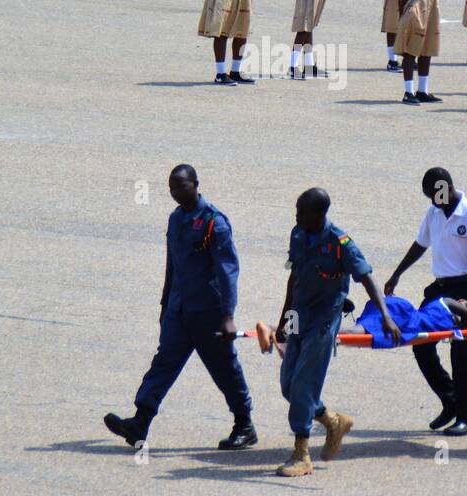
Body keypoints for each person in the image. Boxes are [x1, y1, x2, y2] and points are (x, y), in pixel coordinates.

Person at [104, 165, 256, 450]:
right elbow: (171, 264)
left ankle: (244, 424)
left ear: (196, 184)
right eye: (172, 188)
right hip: (178, 310)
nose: (176, 193)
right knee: (164, 363)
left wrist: (228, 316)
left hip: (208, 313)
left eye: (182, 186)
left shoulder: (214, 222)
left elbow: (228, 272)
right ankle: (141, 421)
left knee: (224, 367)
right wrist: (164, 304)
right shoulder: (175, 219)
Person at [273, 188, 400, 477]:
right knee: (288, 385)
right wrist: (283, 319)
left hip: (324, 320)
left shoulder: (340, 242)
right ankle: (333, 421)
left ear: (319, 214)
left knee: (304, 384)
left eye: (301, 211)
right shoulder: (298, 233)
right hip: (298, 315)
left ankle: (301, 453)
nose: (296, 216)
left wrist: (386, 316)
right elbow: (293, 277)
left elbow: (366, 277)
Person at [384, 167, 467, 436]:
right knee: (420, 343)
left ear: (447, 187)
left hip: (465, 288)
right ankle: (450, 398)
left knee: (460, 351)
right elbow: (420, 244)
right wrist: (397, 273)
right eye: (428, 196)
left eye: (434, 194)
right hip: (439, 290)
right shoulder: (433, 213)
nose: (431, 200)